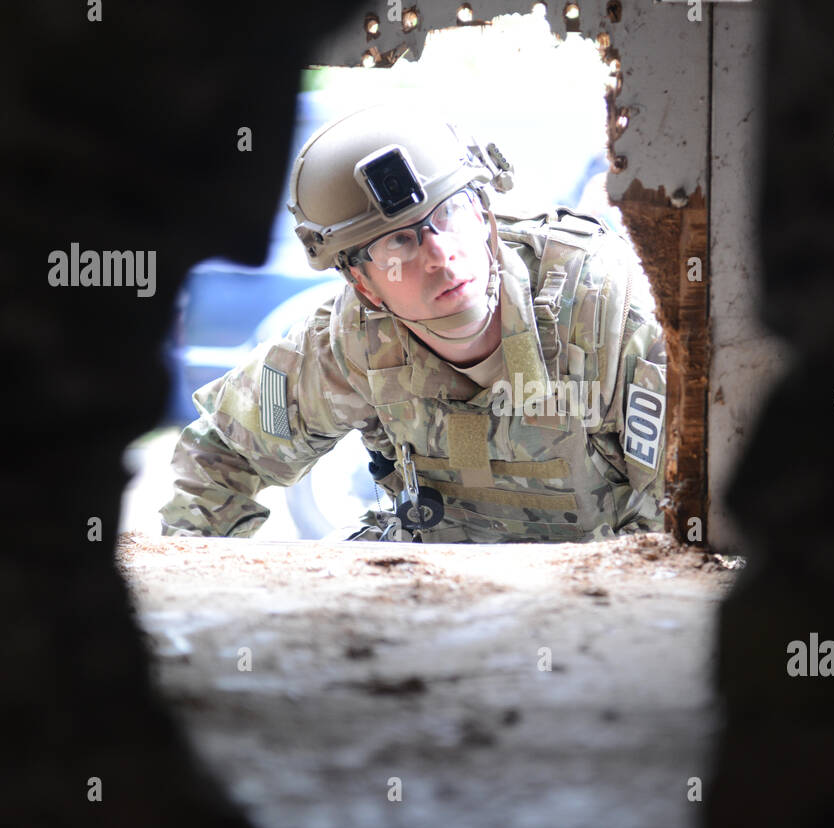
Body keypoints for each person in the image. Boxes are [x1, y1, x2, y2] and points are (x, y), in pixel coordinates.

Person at [159, 103, 666, 542]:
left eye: (450, 214)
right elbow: (221, 455)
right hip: (431, 587)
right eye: (399, 241)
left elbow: (687, 499)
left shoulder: (604, 308)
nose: (440, 256)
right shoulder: (350, 340)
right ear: (362, 283)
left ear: (486, 217)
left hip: (596, 589)